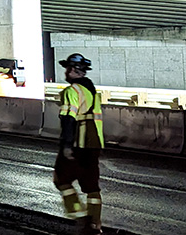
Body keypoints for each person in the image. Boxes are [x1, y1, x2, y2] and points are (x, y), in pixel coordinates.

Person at [54, 53, 104, 234]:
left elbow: (69, 119)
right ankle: (95, 224)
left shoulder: (72, 91)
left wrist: (67, 145)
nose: (66, 72)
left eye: (68, 68)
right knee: (92, 186)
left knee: (61, 179)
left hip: (77, 143)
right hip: (94, 144)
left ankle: (80, 215)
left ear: (74, 70)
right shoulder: (92, 91)